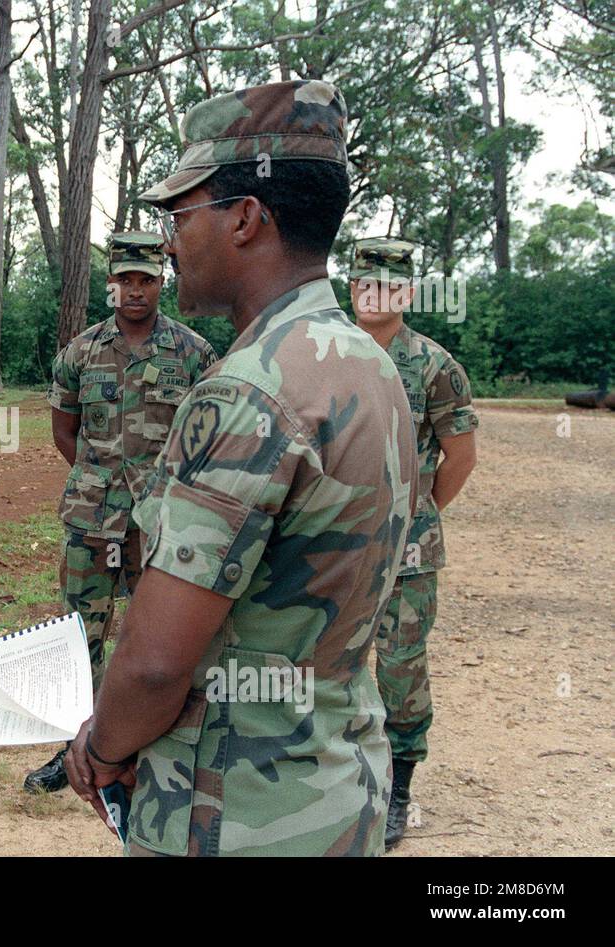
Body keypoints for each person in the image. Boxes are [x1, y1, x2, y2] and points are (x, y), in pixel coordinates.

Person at [63, 80, 419, 856]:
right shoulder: (371, 365)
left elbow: (156, 663)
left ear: (245, 219)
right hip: (337, 790)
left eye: (180, 215)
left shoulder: (247, 391)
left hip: (235, 811)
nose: (168, 245)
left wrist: (102, 749)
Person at [26, 231, 216, 794]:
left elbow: (206, 438)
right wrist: (103, 480)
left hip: (161, 527)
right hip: (91, 521)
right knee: (78, 635)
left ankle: (153, 747)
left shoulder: (193, 353)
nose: (135, 290)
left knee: (159, 639)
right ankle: (72, 747)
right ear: (109, 284)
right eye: (124, 279)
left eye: (146, 279)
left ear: (162, 282)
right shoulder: (80, 352)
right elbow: (65, 430)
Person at [349, 236, 479, 849]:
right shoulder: (328, 353)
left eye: (387, 286)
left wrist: (415, 517)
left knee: (400, 665)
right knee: (324, 658)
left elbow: (460, 457)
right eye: (364, 282)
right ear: (351, 287)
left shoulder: (434, 366)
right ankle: (335, 774)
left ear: (405, 294)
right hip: (332, 546)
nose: (373, 294)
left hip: (407, 551)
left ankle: (398, 786)